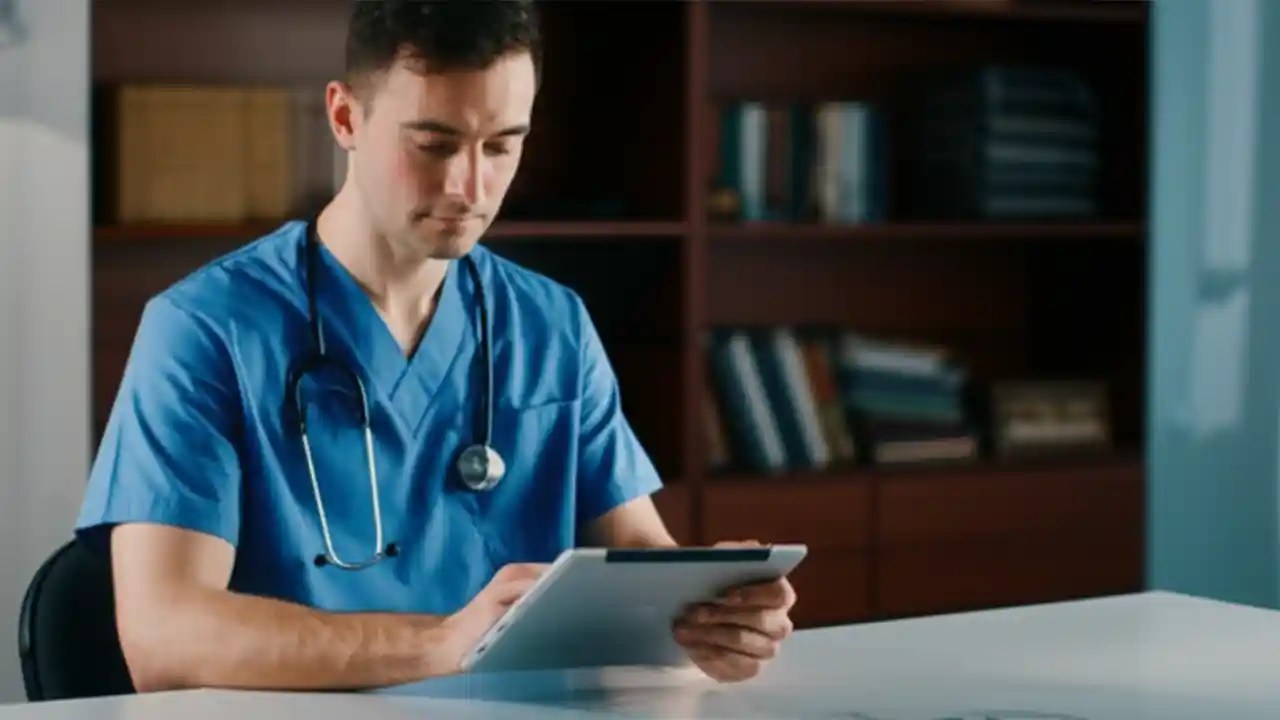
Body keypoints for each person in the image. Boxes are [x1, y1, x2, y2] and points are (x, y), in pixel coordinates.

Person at [76, 0, 796, 694]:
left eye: (502, 145)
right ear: (344, 117)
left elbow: (638, 551)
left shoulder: (551, 325)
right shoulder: (204, 330)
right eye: (434, 144)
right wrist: (442, 643)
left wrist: (707, 616)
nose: (469, 186)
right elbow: (163, 637)